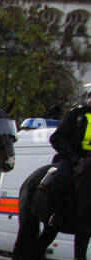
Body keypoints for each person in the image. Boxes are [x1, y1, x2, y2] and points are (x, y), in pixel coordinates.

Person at [38, 82, 91, 229]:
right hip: (73, 158)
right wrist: (75, 157)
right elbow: (57, 138)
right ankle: (53, 214)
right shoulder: (76, 115)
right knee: (61, 178)